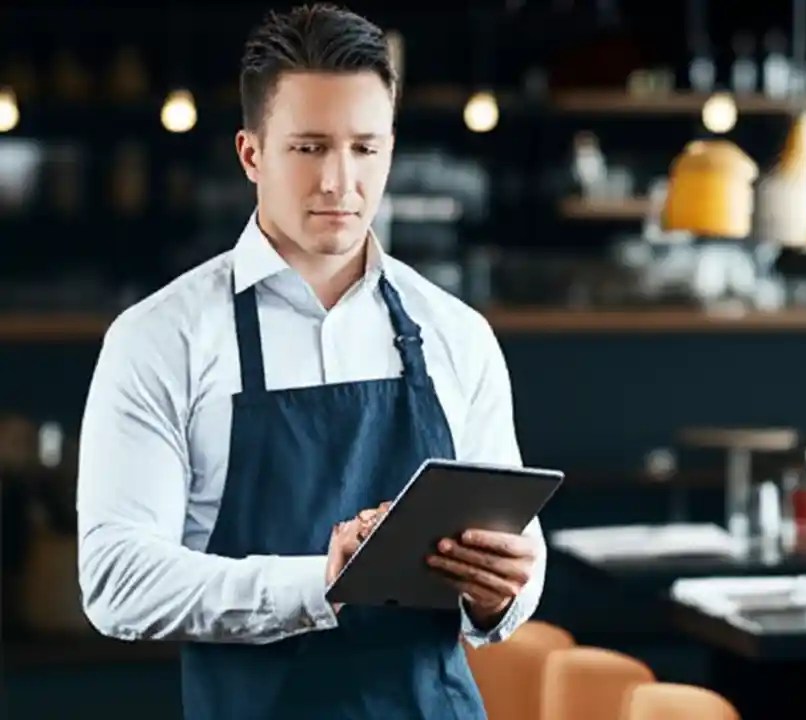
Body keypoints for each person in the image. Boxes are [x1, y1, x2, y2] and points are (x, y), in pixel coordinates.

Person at [74, 4, 545, 718]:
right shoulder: (160, 339)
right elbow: (116, 583)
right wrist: (319, 583)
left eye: (365, 148)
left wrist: (499, 591)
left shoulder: (457, 334)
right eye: (309, 147)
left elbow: (518, 563)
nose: (340, 181)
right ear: (251, 153)